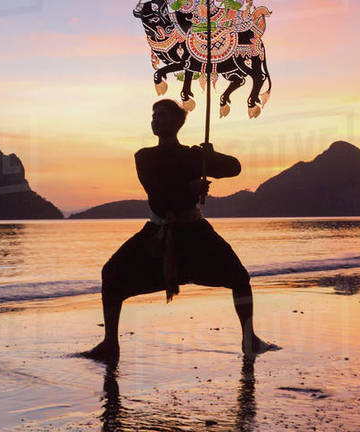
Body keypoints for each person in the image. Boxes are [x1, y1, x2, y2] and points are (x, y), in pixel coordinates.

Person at [80, 99, 275, 361]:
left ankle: (249, 338)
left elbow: (234, 168)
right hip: (159, 231)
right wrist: (189, 188)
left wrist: (212, 157)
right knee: (111, 273)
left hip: (194, 230)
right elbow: (157, 193)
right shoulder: (144, 157)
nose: (154, 120)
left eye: (161, 115)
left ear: (177, 122)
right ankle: (110, 343)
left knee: (239, 277)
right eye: (153, 115)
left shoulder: (194, 156)